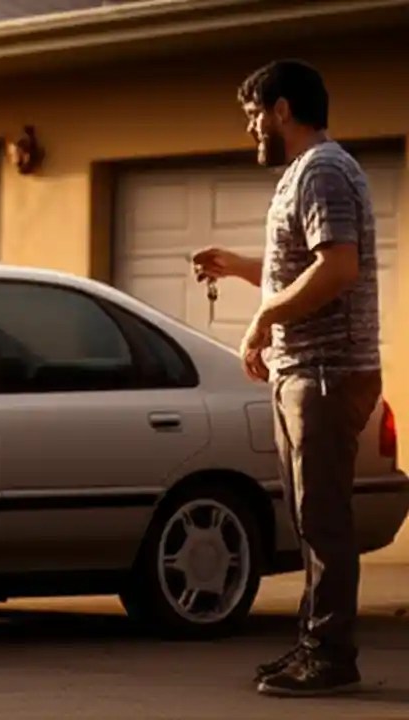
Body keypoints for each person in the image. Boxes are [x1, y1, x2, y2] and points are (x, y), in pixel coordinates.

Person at [192, 59, 382, 697]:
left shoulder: (324, 170)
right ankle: (313, 645)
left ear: (281, 110)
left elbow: (337, 269)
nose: (251, 129)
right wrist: (242, 267)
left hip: (325, 373)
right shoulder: (307, 173)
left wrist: (261, 322)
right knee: (312, 517)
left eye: (253, 115)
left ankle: (330, 657)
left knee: (324, 519)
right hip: (306, 371)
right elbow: (302, 267)